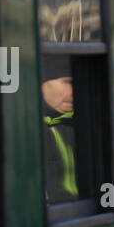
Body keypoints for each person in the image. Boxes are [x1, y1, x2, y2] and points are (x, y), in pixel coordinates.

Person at [42, 74, 77, 204]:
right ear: (42, 84)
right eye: (68, 82)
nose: (75, 90)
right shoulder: (28, 130)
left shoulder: (86, 122)